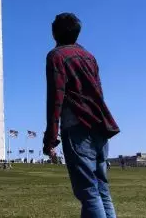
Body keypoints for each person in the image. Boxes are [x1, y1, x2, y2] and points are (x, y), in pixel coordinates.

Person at [43, 13, 120, 218]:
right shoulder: (89, 56)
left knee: (88, 192)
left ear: (54, 32)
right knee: (102, 189)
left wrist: (51, 137)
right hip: (100, 125)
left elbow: (56, 97)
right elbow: (99, 91)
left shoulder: (56, 56)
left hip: (77, 126)